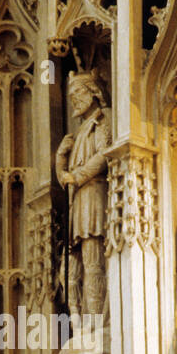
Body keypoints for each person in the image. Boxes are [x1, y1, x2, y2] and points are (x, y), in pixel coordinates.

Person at [55, 72, 112, 320]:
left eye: (77, 93)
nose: (73, 99)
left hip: (94, 197)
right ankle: (81, 325)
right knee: (69, 273)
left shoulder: (103, 118)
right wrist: (60, 159)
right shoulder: (78, 133)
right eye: (70, 95)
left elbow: (104, 155)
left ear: (93, 92)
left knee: (93, 263)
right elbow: (65, 181)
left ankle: (98, 324)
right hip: (79, 201)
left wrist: (77, 176)